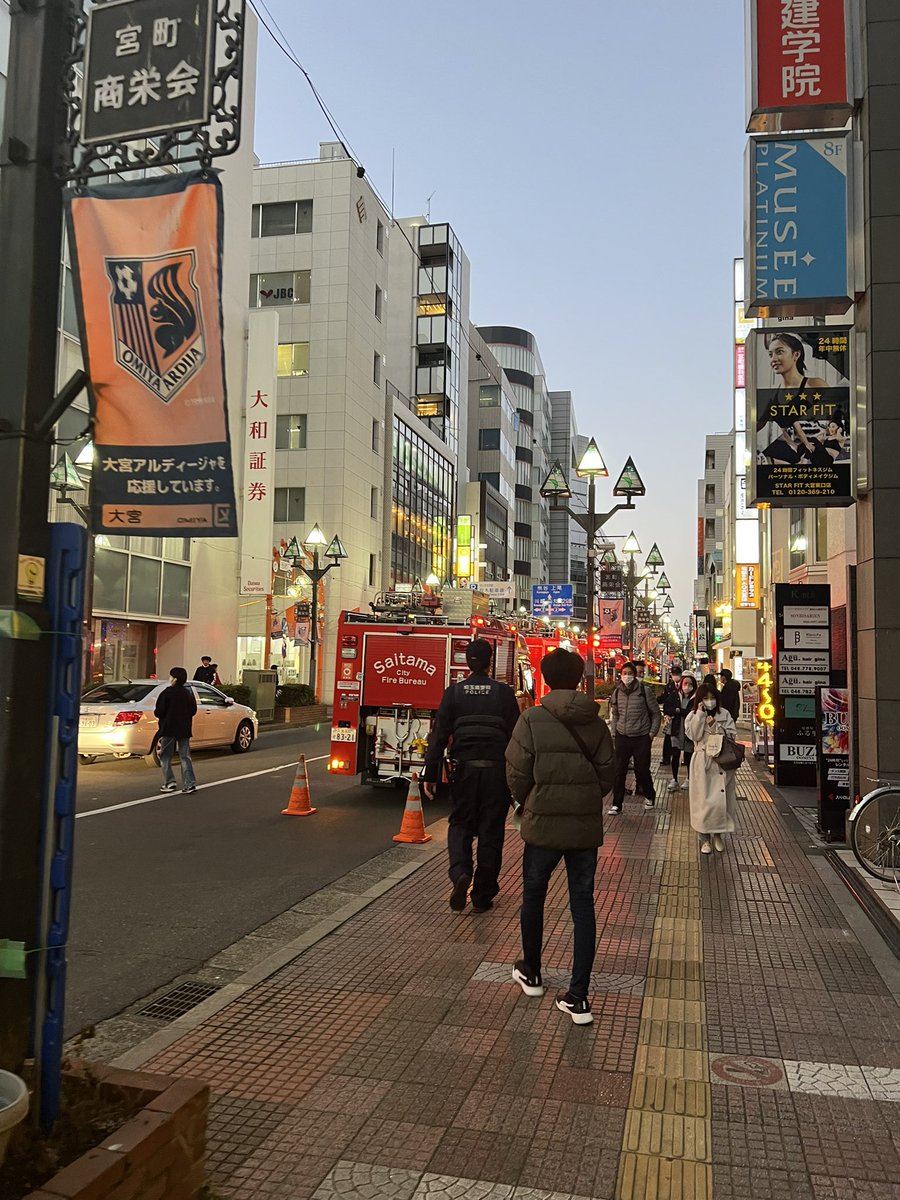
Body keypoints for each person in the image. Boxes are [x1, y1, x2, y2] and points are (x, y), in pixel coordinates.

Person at [505, 649, 615, 1025]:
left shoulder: (533, 718)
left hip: (543, 825)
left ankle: (532, 971)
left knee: (533, 896)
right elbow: (607, 775)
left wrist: (530, 800)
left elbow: (517, 772)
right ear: (580, 678)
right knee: (582, 905)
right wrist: (584, 799)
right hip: (584, 828)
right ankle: (578, 996)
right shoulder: (596, 724)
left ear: (545, 678)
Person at [422, 639, 520, 913]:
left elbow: (439, 735)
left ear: (467, 662)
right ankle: (482, 894)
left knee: (460, 823)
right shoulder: (503, 693)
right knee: (491, 831)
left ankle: (460, 872)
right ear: (490, 662)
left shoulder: (453, 693)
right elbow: (516, 737)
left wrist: (430, 773)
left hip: (463, 770)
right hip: (496, 772)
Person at [685, 679, 738, 854]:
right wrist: (700, 716)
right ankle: (704, 838)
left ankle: (718, 834)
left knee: (720, 802)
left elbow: (732, 735)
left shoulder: (725, 714)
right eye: (705, 698)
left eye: (712, 697)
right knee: (704, 802)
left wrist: (716, 726)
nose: (710, 701)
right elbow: (693, 735)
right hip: (702, 761)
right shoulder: (692, 715)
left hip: (722, 761)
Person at [607, 661, 661, 815]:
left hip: (641, 736)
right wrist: (614, 731)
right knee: (619, 770)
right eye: (624, 673)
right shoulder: (617, 692)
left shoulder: (644, 691)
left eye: (630, 673)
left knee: (642, 769)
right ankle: (617, 804)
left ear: (635, 675)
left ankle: (650, 795)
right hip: (622, 736)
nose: (627, 676)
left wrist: (651, 733)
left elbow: (656, 713)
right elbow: (615, 713)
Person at [154, 667, 198, 794]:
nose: (170, 679)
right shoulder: (187, 693)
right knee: (185, 756)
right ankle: (190, 784)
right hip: (184, 728)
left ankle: (170, 782)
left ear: (175, 679)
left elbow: (159, 711)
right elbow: (193, 710)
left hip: (169, 728)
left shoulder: (167, 693)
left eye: (171, 676)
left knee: (165, 756)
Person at [667, 673, 697, 792]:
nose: (687, 686)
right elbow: (667, 708)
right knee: (675, 755)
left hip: (689, 732)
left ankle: (689, 779)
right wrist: (678, 711)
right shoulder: (675, 695)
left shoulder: (695, 698)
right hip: (676, 729)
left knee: (689, 756)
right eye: (685, 683)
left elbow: (693, 712)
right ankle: (674, 779)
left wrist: (679, 711)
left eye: (690, 684)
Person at [659, 665, 683, 766]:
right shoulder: (669, 686)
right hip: (671, 716)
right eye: (674, 674)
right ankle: (666, 758)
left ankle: (683, 758)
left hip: (681, 716)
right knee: (668, 738)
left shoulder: (685, 685)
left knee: (681, 737)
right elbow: (664, 698)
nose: (675, 676)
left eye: (677, 674)